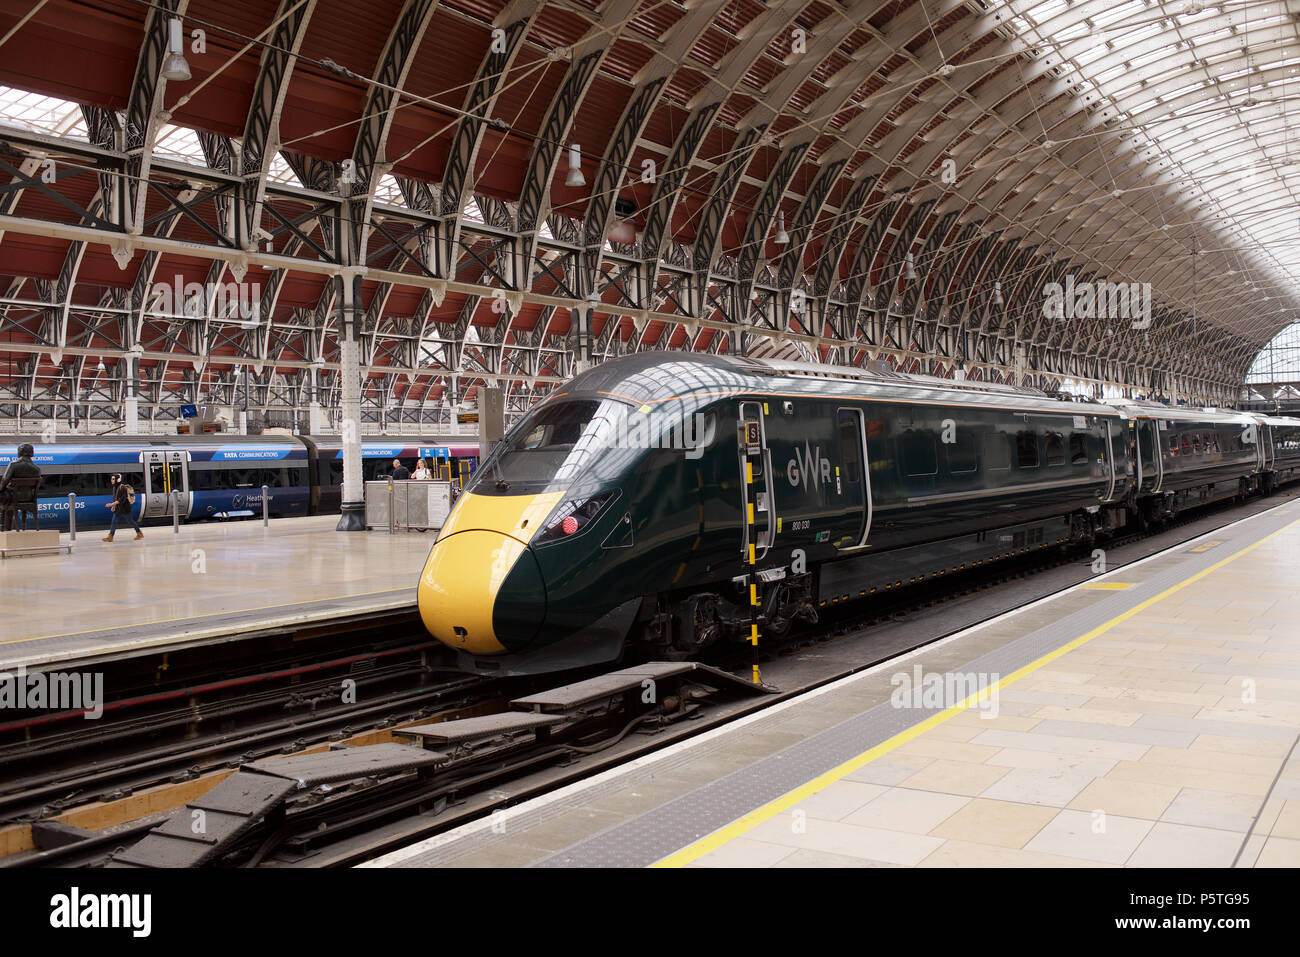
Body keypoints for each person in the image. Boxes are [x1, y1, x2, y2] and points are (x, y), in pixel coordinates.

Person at [0, 443, 42, 531]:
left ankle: (4, 528)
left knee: (5, 501)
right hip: (29, 498)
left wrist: (1, 489)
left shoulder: (13, 465)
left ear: (21, 452)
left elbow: (4, 480)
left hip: (13, 498)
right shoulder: (37, 469)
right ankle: (22, 526)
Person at [103, 472, 143, 542]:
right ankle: (111, 536)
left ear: (118, 480)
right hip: (119, 507)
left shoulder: (123, 487)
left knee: (130, 521)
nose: (111, 480)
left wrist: (111, 504)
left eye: (113, 479)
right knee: (114, 521)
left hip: (125, 508)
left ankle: (139, 533)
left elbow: (121, 500)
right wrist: (114, 506)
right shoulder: (115, 487)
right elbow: (116, 498)